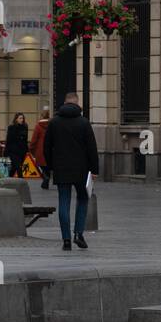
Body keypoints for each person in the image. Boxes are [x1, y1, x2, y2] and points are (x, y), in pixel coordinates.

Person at [44, 92, 99, 251]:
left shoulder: (54, 122)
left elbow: (47, 147)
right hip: (81, 169)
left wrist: (50, 166)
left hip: (61, 169)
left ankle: (66, 239)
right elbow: (91, 148)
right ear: (77, 103)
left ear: (64, 103)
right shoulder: (83, 122)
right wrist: (94, 169)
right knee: (82, 199)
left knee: (64, 201)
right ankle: (78, 234)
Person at [29, 107, 50, 189]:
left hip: (40, 150)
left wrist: (31, 149)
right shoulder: (52, 124)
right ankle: (46, 181)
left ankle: (45, 178)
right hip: (49, 149)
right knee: (47, 166)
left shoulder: (38, 126)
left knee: (41, 166)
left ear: (41, 116)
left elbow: (34, 140)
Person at [5, 113, 29, 177]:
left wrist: (27, 150)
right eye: (20, 118)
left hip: (22, 151)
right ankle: (22, 183)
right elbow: (8, 140)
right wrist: (6, 151)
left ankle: (9, 179)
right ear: (16, 119)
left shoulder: (25, 127)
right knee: (18, 167)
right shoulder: (11, 127)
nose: (22, 120)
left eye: (22, 118)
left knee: (14, 167)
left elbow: (25, 140)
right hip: (13, 151)